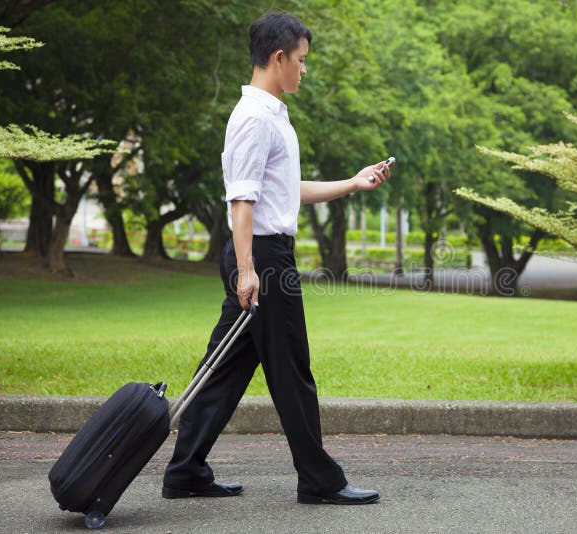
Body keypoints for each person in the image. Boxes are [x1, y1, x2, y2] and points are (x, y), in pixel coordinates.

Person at [161, 12, 390, 505]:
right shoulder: (252, 119)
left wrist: (353, 182)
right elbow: (241, 201)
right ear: (278, 57)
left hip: (262, 256)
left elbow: (286, 191)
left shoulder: (273, 116)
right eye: (302, 61)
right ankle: (320, 481)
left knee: (223, 372)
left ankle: (184, 470)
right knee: (292, 370)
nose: (305, 70)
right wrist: (248, 270)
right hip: (262, 261)